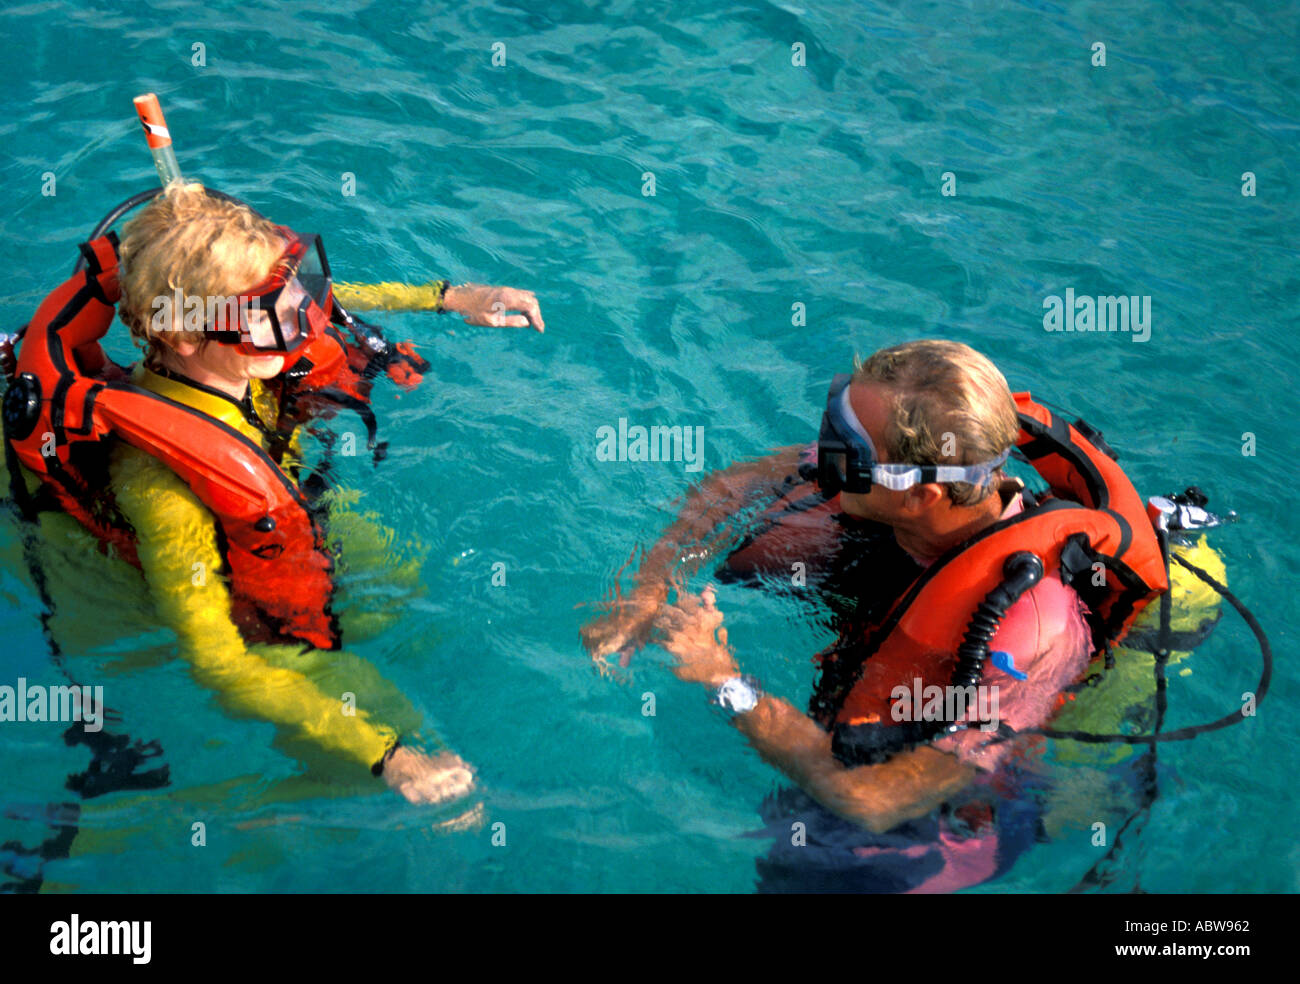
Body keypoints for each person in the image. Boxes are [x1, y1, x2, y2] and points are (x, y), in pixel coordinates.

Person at [5, 181, 543, 808]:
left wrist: (448, 298)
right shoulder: (160, 489)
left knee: (408, 592)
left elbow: (332, 302)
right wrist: (389, 759)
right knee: (384, 710)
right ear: (184, 335)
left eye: (299, 293)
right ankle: (276, 807)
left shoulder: (242, 355)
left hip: (284, 500)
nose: (303, 322)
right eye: (274, 315)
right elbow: (219, 665)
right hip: (216, 580)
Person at [581, 339, 1167, 891]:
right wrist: (646, 590)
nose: (823, 452)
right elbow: (730, 489)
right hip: (893, 621)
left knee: (815, 860)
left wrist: (723, 678)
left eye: (848, 449)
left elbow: (874, 800)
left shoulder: (1032, 627)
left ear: (919, 496)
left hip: (960, 807)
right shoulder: (895, 482)